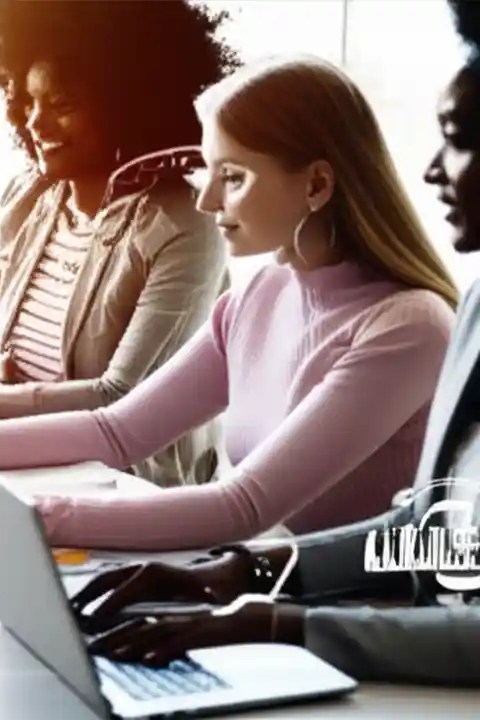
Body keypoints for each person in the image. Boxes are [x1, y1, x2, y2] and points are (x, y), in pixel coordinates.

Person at [0, 55, 461, 551]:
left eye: (233, 177)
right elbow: (115, 432)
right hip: (266, 593)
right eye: (207, 171)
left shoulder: (407, 326)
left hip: (350, 627)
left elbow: (243, 506)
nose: (208, 199)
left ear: (316, 186)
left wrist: (35, 520)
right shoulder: (258, 296)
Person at [72, 1, 480, 685]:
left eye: (459, 137)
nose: (434, 170)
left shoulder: (415, 323)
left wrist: (278, 622)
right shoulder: (473, 313)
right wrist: (250, 571)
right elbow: (433, 525)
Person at [0, 0, 240, 488]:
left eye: (62, 105)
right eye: (28, 102)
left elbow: (119, 400)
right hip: (12, 474)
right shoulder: (28, 197)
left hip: (125, 492)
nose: (36, 123)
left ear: (130, 102)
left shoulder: (186, 223)